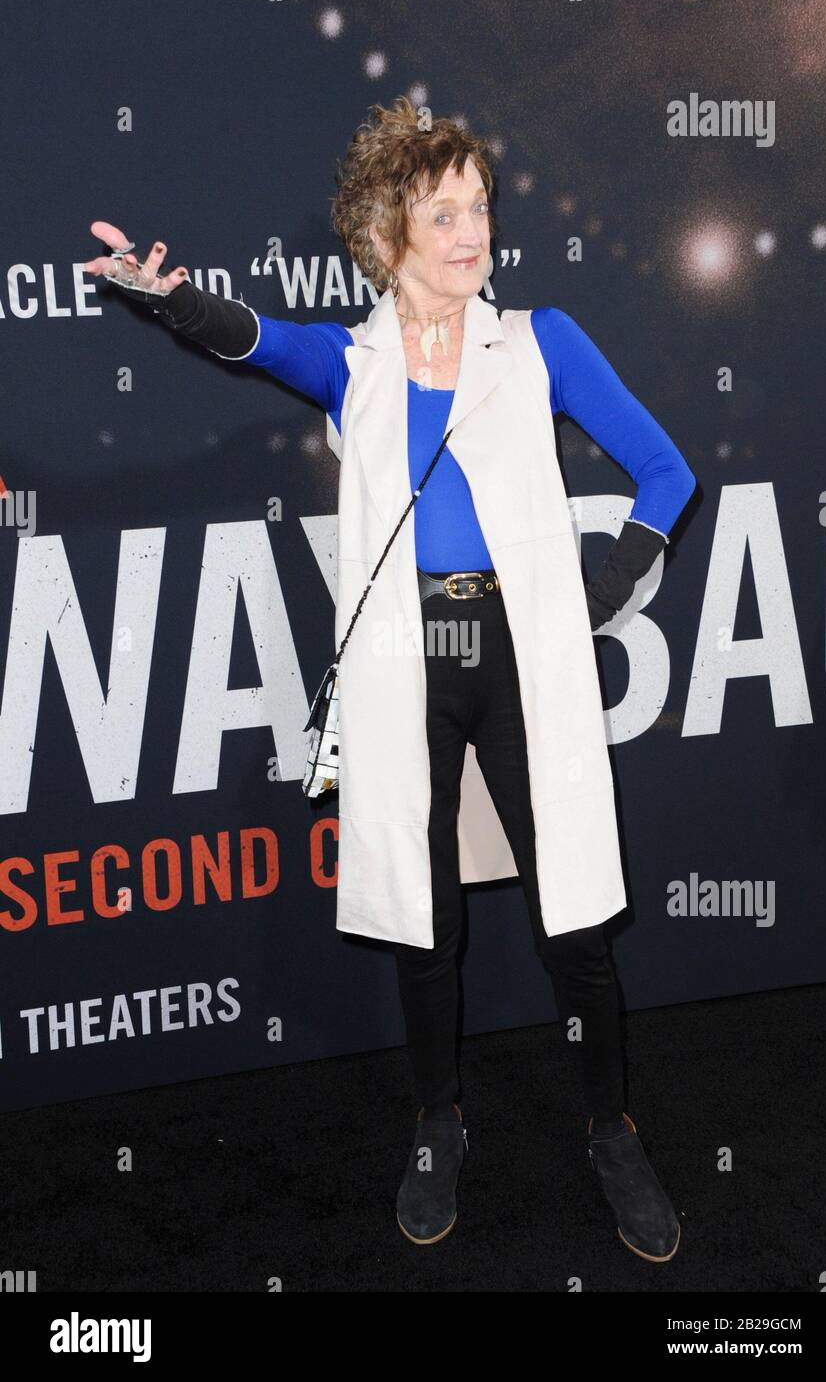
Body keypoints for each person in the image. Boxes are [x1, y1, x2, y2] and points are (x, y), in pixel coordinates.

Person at [83, 95, 696, 1262]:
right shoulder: (353, 360)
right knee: (429, 925)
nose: (474, 234)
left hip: (521, 658)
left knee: (577, 925)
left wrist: (600, 593)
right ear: (385, 234)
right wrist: (166, 297)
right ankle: (435, 1126)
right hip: (407, 666)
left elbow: (665, 471)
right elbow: (255, 336)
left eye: (481, 208)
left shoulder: (541, 342)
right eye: (445, 211)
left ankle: (613, 1132)